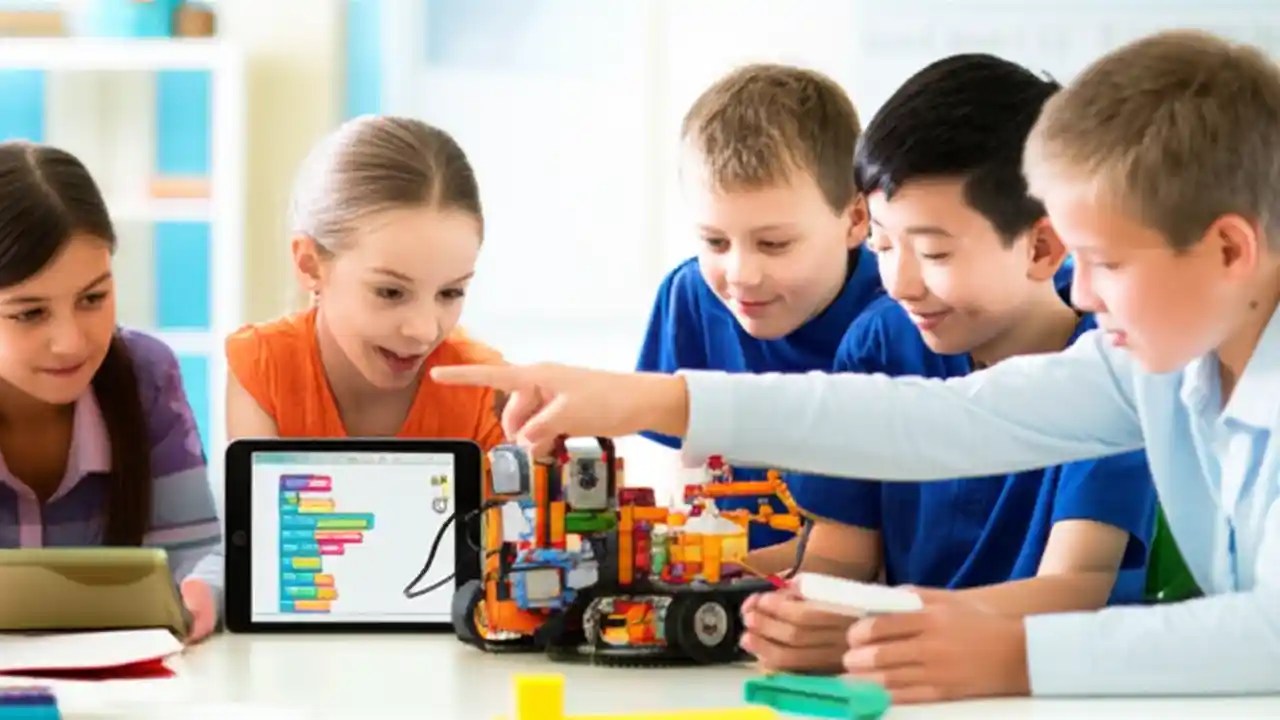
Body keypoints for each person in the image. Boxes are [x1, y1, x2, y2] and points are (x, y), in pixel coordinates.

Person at [430, 29, 1280, 700]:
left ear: (1229, 250)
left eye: (1110, 264)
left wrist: (1011, 650)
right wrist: (647, 397)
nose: (1084, 294)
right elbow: (942, 420)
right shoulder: (1160, 369)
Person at [736, 54, 1157, 674]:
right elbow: (845, 557)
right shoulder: (880, 345)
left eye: (933, 251)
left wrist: (883, 629)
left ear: (1041, 246)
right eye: (881, 243)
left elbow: (1077, 589)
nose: (900, 283)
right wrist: (767, 605)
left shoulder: (1113, 361)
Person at [635, 63, 881, 548]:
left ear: (855, 219)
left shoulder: (895, 320)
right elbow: (679, 474)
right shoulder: (688, 296)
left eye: (773, 244)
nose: (741, 275)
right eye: (715, 241)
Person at [0, 141, 221, 642]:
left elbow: (198, 551)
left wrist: (200, 592)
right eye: (29, 313)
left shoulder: (145, 375)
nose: (70, 342)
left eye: (93, 298)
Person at [225, 115, 505, 446]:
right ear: (310, 265)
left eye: (450, 292)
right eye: (390, 292)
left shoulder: (486, 391)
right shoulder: (263, 367)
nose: (425, 331)